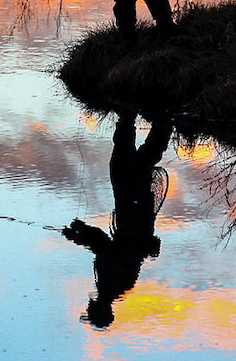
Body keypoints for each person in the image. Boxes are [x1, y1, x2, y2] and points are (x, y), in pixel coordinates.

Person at [62, 113, 174, 328]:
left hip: (133, 211)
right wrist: (80, 233)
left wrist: (78, 234)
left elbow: (102, 246)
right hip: (134, 210)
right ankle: (156, 119)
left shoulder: (110, 286)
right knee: (130, 166)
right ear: (104, 310)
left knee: (134, 163)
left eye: (89, 310)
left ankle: (145, 119)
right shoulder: (115, 285)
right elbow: (104, 246)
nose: (89, 307)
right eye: (92, 311)